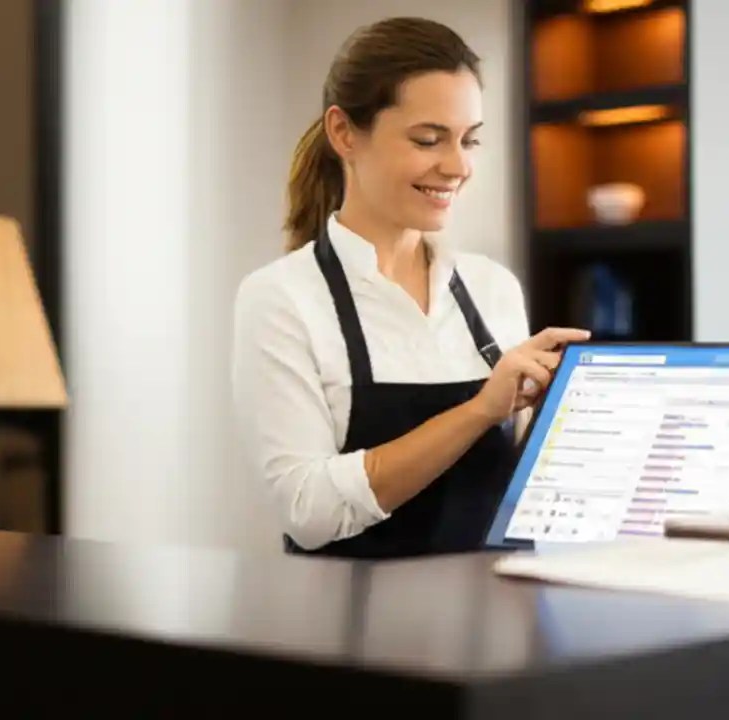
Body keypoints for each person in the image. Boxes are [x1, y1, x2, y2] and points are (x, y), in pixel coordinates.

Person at [230, 16, 588, 559]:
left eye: (469, 140)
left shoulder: (493, 288)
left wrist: (560, 419)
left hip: (492, 625)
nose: (458, 166)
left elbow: (508, 494)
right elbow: (309, 512)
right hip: (345, 635)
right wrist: (478, 411)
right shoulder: (281, 298)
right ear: (344, 133)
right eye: (428, 139)